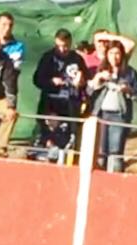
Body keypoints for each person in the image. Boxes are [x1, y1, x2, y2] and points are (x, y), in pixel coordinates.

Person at [88, 40, 137, 173]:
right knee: (101, 152)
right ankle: (99, 179)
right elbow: (88, 91)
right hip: (101, 115)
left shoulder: (130, 72)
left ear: (122, 55)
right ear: (106, 55)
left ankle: (114, 179)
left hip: (119, 116)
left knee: (116, 152)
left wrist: (128, 90)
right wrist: (98, 79)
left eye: (117, 53)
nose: (114, 56)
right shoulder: (100, 70)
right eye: (111, 53)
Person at [32, 28, 86, 160]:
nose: (62, 49)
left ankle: (66, 158)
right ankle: (45, 153)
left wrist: (81, 81)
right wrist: (51, 81)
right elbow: (37, 80)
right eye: (59, 46)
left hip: (70, 103)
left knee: (68, 136)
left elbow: (86, 81)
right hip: (51, 103)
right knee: (49, 133)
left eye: (65, 46)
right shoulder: (48, 57)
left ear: (70, 43)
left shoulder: (77, 59)